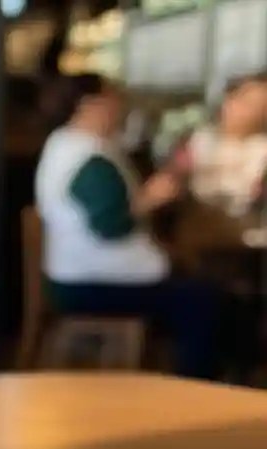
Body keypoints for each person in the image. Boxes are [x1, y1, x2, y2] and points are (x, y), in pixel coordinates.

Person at [36, 74, 217, 379]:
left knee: (198, 291)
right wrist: (152, 198)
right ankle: (193, 388)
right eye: (114, 98)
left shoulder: (65, 144)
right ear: (90, 106)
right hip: (93, 284)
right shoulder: (90, 160)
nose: (121, 106)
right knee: (201, 301)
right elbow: (111, 226)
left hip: (73, 276)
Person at [181, 75, 267, 218]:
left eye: (259, 105)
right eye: (242, 100)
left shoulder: (262, 150)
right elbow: (170, 184)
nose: (243, 110)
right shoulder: (199, 141)